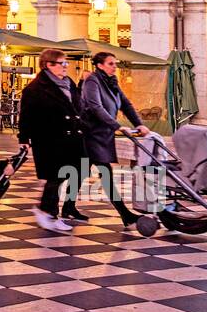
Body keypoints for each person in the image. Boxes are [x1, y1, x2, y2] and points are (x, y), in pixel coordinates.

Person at [75, 52, 149, 228]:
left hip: (102, 135)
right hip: (90, 135)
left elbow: (126, 104)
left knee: (80, 172)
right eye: (110, 63)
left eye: (115, 63)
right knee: (104, 173)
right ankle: (125, 214)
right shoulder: (92, 81)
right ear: (100, 65)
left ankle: (68, 207)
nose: (114, 66)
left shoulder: (112, 82)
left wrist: (139, 124)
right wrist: (116, 125)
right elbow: (95, 106)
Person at [18, 49, 87, 233]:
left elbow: (77, 106)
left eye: (66, 63)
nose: (66, 67)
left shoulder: (68, 83)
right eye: (62, 63)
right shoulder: (35, 88)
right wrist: (23, 138)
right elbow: (26, 115)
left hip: (72, 137)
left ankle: (52, 210)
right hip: (50, 138)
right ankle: (48, 212)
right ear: (48, 65)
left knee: (73, 172)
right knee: (56, 177)